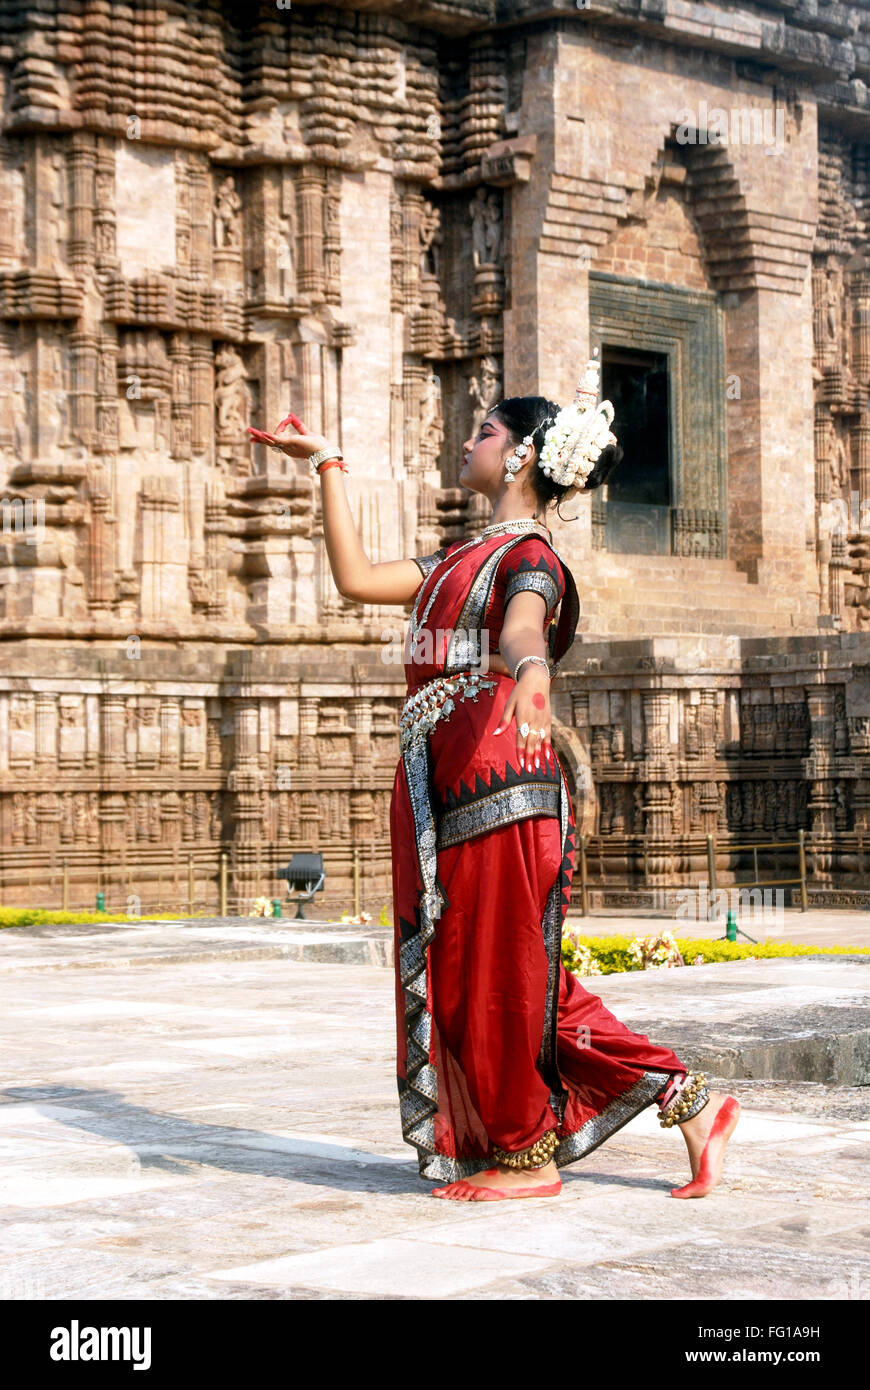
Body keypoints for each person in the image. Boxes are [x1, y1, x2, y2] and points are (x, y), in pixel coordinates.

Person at [247, 362, 740, 1203]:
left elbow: (522, 624)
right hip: (452, 788)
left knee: (503, 976)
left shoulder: (531, 558)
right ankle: (690, 1103)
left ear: (518, 458)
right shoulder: (457, 559)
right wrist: (328, 461)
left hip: (500, 788)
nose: (469, 441)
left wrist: (533, 672)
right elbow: (359, 579)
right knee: (504, 975)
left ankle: (528, 1158)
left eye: (484, 431)